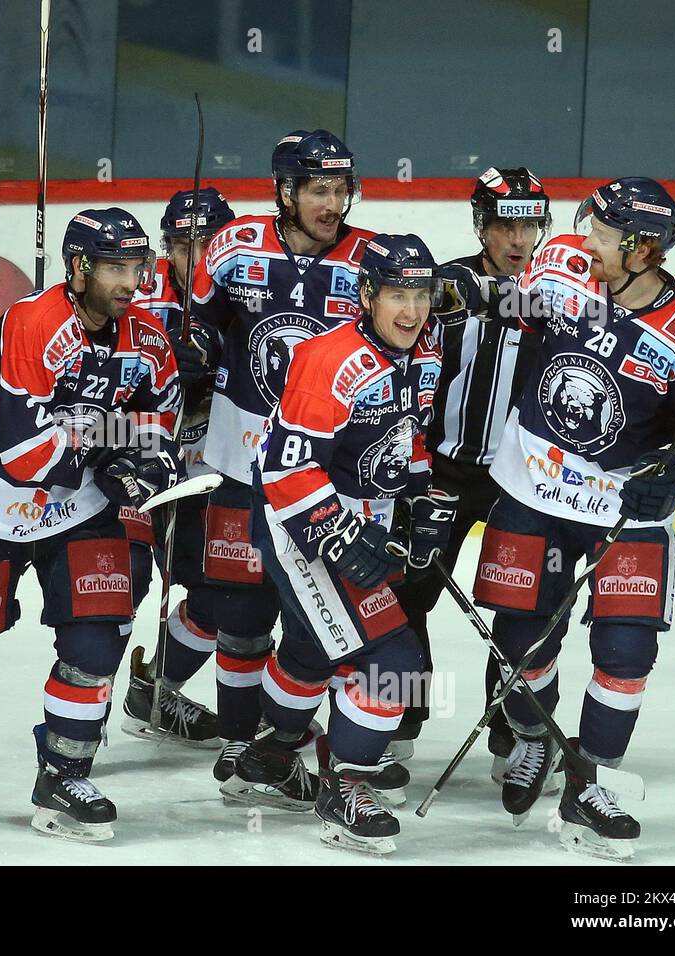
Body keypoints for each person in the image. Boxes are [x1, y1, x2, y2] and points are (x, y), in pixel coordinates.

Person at [442, 178, 675, 858]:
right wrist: (445, 289)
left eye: (600, 235)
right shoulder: (562, 266)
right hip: (533, 488)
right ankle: (537, 738)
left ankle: (589, 784)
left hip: (624, 510)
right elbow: (510, 302)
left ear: (643, 249)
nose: (580, 242)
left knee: (627, 656)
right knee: (519, 648)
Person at [0, 208, 181, 842]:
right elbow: (25, 455)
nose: (130, 283)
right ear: (78, 268)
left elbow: (160, 417)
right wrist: (116, 458)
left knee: (96, 642)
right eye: (115, 268)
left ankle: (63, 774)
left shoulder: (147, 338)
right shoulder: (29, 323)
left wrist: (150, 459)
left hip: (80, 509)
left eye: (136, 267)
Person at [232, 235, 449, 853]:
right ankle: (346, 785)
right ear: (367, 295)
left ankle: (270, 758)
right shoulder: (330, 359)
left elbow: (405, 439)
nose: (411, 310)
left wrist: (420, 497)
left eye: (421, 295)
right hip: (299, 525)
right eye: (398, 295)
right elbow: (285, 467)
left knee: (309, 649)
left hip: (354, 521)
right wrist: (336, 532)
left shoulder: (420, 352)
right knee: (393, 663)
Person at [183, 130, 376, 791]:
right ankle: (242, 751)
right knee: (240, 619)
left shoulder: (371, 260)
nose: (333, 203)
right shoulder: (234, 246)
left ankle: (288, 740)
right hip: (240, 467)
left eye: (341, 189)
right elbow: (199, 321)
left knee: (323, 623)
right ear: (286, 192)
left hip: (326, 478)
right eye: (319, 190)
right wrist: (195, 349)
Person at [389, 167, 551, 789]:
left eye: (530, 223)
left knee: (520, 604)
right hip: (440, 468)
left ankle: (514, 730)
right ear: (481, 223)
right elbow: (455, 299)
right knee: (404, 598)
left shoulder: (561, 292)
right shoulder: (445, 285)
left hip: (524, 478)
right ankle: (398, 720)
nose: (518, 237)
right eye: (505, 223)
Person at [120, 186, 235, 747]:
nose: (197, 259)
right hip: (139, 468)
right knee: (119, 588)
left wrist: (213, 375)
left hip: (219, 470)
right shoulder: (139, 293)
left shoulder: (252, 294)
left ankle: (157, 689)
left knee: (224, 595)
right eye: (183, 245)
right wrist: (166, 369)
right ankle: (80, 711)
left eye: (209, 244)